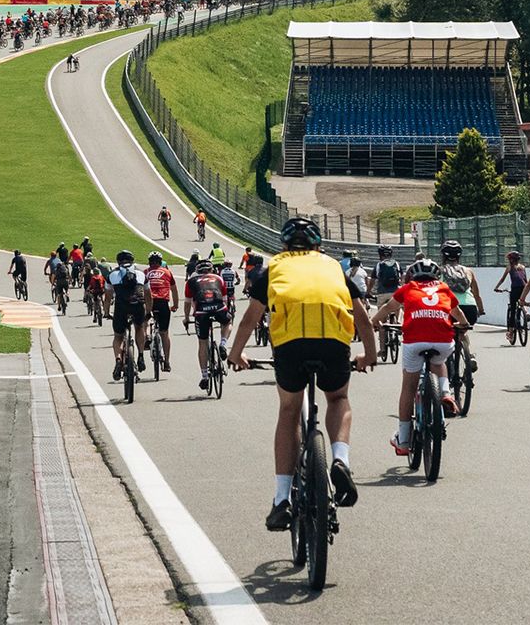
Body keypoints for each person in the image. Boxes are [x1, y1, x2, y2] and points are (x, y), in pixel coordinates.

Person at [229, 217, 375, 530]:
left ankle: (282, 499)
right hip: (333, 341)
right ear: (318, 245)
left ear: (284, 245)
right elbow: (362, 316)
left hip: (290, 343)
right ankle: (340, 460)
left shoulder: (274, 267)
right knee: (338, 398)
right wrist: (371, 354)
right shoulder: (333, 267)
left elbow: (250, 318)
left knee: (289, 409)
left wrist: (235, 353)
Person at [389, 257, 469, 456]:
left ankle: (404, 440)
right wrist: (464, 324)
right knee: (439, 362)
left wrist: (374, 322)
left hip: (414, 342)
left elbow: (388, 308)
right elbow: (457, 312)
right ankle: (445, 393)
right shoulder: (443, 288)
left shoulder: (408, 288)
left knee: (408, 388)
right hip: (443, 342)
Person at [435, 240, 483, 370]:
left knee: (444, 333)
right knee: (462, 332)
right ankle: (469, 355)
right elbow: (476, 294)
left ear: (443, 256)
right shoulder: (468, 271)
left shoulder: (439, 271)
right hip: (470, 308)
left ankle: (443, 360)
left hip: (449, 308)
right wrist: (481, 309)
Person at [186, 259, 231, 390]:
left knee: (202, 343)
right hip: (219, 308)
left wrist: (186, 318)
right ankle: (223, 344)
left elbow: (188, 303)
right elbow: (225, 300)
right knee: (228, 322)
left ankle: (205, 376)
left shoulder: (191, 281)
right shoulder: (218, 278)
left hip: (201, 312)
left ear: (197, 271)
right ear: (212, 270)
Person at [108, 250, 149, 381]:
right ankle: (141, 355)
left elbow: (107, 297)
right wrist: (148, 311)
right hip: (138, 306)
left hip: (121, 307)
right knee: (139, 327)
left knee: (118, 336)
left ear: (118, 262)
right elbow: (149, 295)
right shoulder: (141, 274)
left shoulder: (112, 274)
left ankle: (118, 360)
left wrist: (106, 312)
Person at [143, 251, 177, 370]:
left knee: (146, 319)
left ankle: (147, 335)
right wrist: (175, 305)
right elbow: (174, 290)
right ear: (160, 262)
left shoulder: (145, 272)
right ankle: (167, 362)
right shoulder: (167, 272)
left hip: (150, 301)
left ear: (149, 262)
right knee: (164, 333)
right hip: (163, 302)